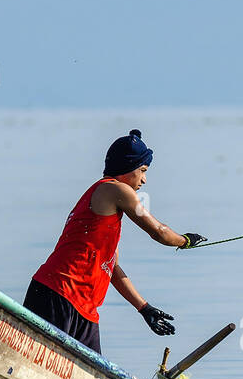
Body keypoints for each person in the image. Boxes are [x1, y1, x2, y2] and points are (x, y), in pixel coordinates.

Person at [23, 129, 204, 355]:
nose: (144, 179)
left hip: (85, 308)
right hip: (58, 293)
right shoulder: (114, 189)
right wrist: (185, 240)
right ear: (128, 168)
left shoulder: (107, 214)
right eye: (143, 170)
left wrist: (144, 308)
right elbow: (159, 232)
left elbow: (111, 269)